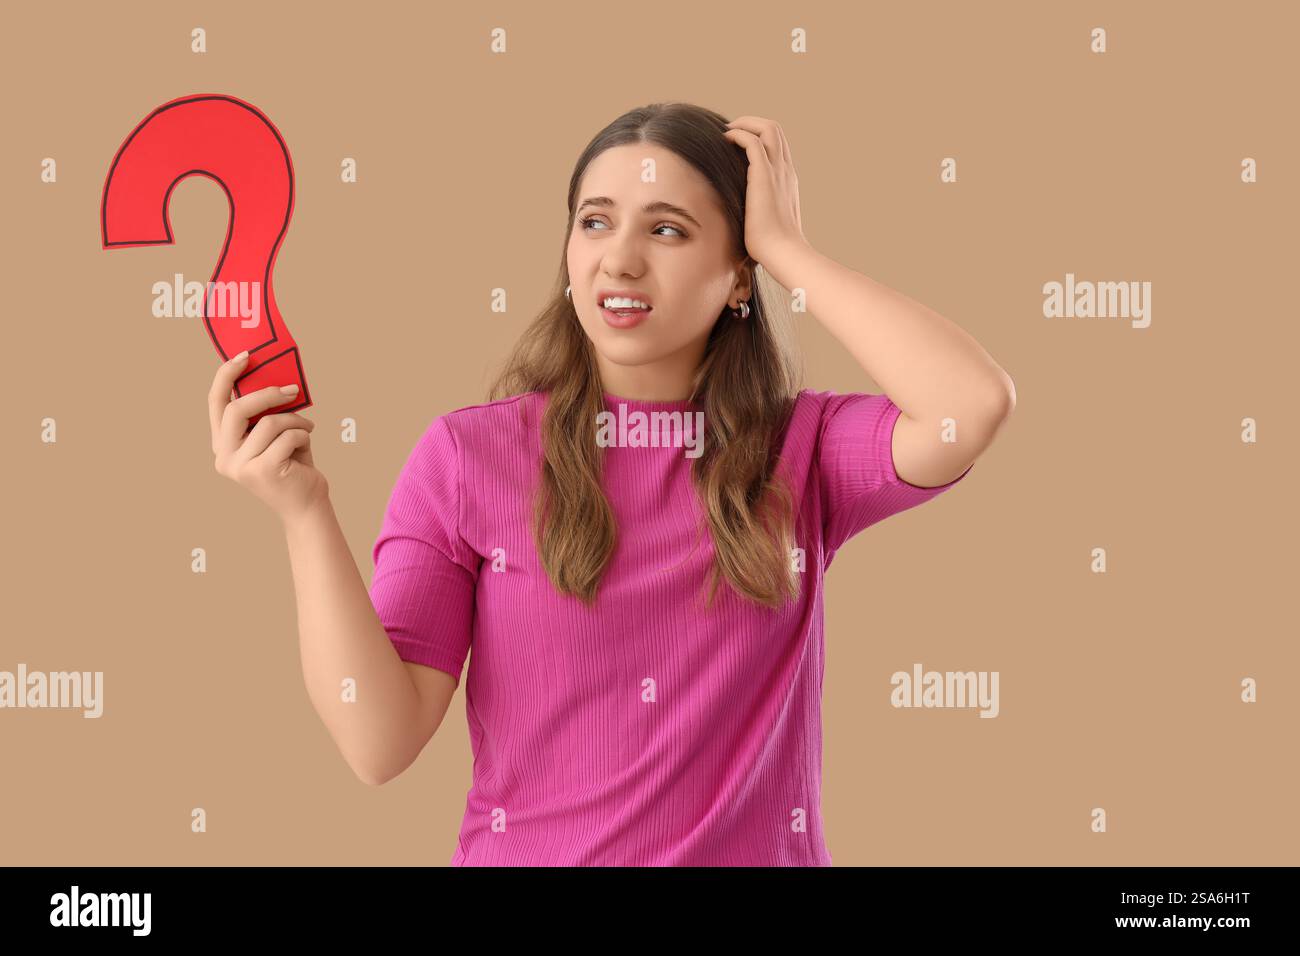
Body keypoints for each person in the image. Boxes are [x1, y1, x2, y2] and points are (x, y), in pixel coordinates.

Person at [208, 102, 1015, 866]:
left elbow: (970, 405)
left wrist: (787, 251)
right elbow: (376, 740)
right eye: (595, 221)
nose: (619, 259)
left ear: (741, 277)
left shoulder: (800, 450)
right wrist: (304, 512)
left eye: (668, 229)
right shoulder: (468, 456)